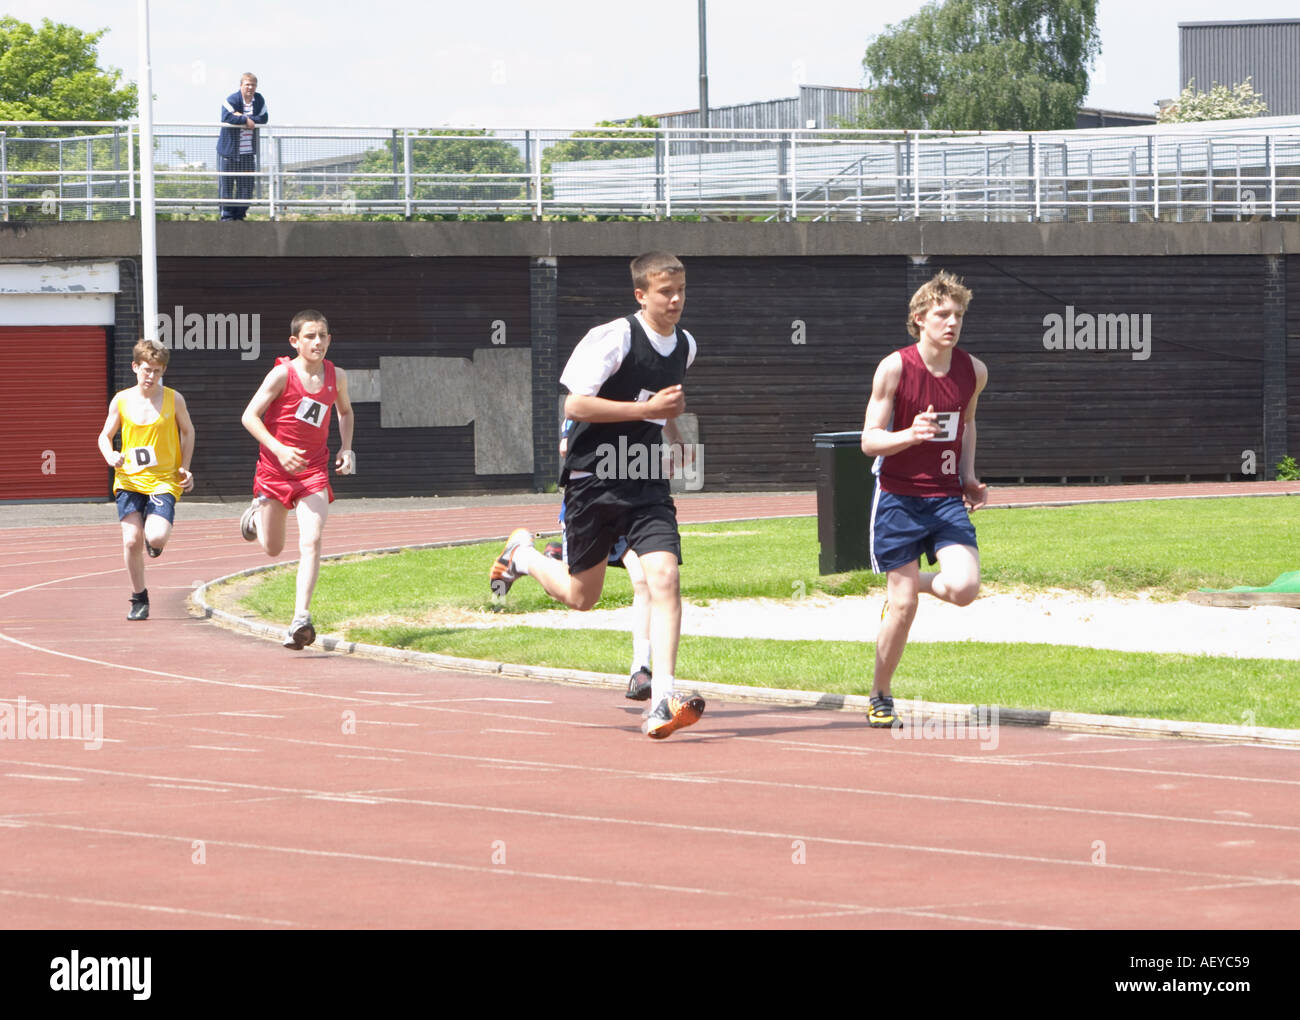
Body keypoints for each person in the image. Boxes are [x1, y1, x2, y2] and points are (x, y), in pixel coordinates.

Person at [490, 251, 703, 739]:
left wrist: (677, 439)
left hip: (646, 480)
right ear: (640, 295)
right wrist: (643, 412)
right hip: (593, 480)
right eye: (664, 293)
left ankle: (662, 699)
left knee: (664, 576)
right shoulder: (612, 338)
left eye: (681, 291)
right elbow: (577, 403)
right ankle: (522, 555)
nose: (675, 301)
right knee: (581, 596)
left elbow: (660, 401)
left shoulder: (685, 345)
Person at [860, 270, 988, 727]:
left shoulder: (973, 370)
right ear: (920, 319)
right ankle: (880, 693)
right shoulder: (895, 367)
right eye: (942, 314)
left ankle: (905, 583)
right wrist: (909, 435)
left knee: (964, 588)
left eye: (958, 315)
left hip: (945, 497)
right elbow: (869, 442)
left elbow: (967, 425)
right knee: (903, 608)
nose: (951, 323)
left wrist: (969, 476)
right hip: (897, 495)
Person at [239, 309, 355, 649]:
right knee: (272, 549)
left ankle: (300, 618)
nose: (317, 342)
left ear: (330, 339)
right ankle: (255, 518)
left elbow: (345, 412)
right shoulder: (281, 375)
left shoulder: (338, 376)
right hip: (275, 471)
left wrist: (347, 449)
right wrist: (279, 449)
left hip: (313, 471)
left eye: (322, 335)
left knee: (312, 541)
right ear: (295, 342)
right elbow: (249, 416)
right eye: (309, 336)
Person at [538, 419, 654, 702]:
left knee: (645, 579)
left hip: (631, 501)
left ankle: (641, 669)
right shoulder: (591, 392)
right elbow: (566, 448)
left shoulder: (641, 390)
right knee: (579, 598)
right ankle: (526, 558)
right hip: (592, 502)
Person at [97, 339, 196, 621]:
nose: (150, 376)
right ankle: (139, 596)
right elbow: (104, 435)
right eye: (145, 369)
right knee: (131, 541)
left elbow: (188, 432)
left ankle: (155, 541)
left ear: (162, 371)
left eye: (156, 370)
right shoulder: (121, 399)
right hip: (128, 480)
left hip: (163, 480)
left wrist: (185, 469)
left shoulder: (173, 399)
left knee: (155, 536)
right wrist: (110, 455)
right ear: (135, 367)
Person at [218, 72, 267, 221]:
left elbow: (264, 118)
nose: (250, 88)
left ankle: (239, 216)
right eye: (247, 84)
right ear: (241, 86)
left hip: (247, 153)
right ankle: (226, 217)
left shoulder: (258, 100)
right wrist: (245, 119)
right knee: (226, 186)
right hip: (229, 153)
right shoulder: (231, 99)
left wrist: (245, 118)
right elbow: (226, 117)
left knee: (246, 187)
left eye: (253, 85)